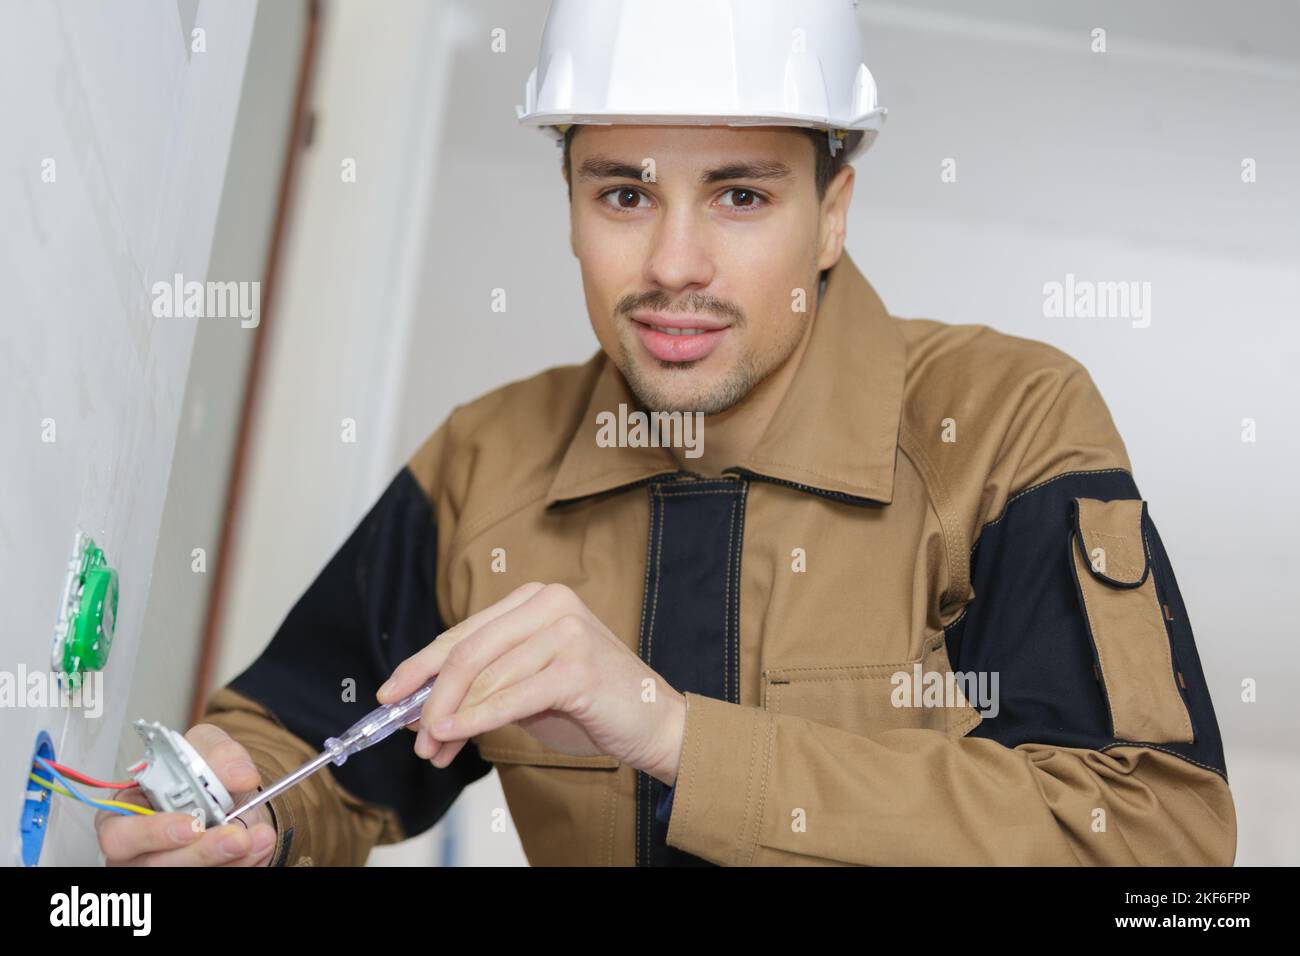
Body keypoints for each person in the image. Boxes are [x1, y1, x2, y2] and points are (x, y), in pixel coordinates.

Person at [97, 0, 1235, 867]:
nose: (673, 265)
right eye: (623, 195)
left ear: (832, 212)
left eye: (739, 196)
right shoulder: (484, 463)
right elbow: (313, 738)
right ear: (571, 201)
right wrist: (242, 802)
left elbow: (1151, 837)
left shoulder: (1001, 422)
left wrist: (676, 734)